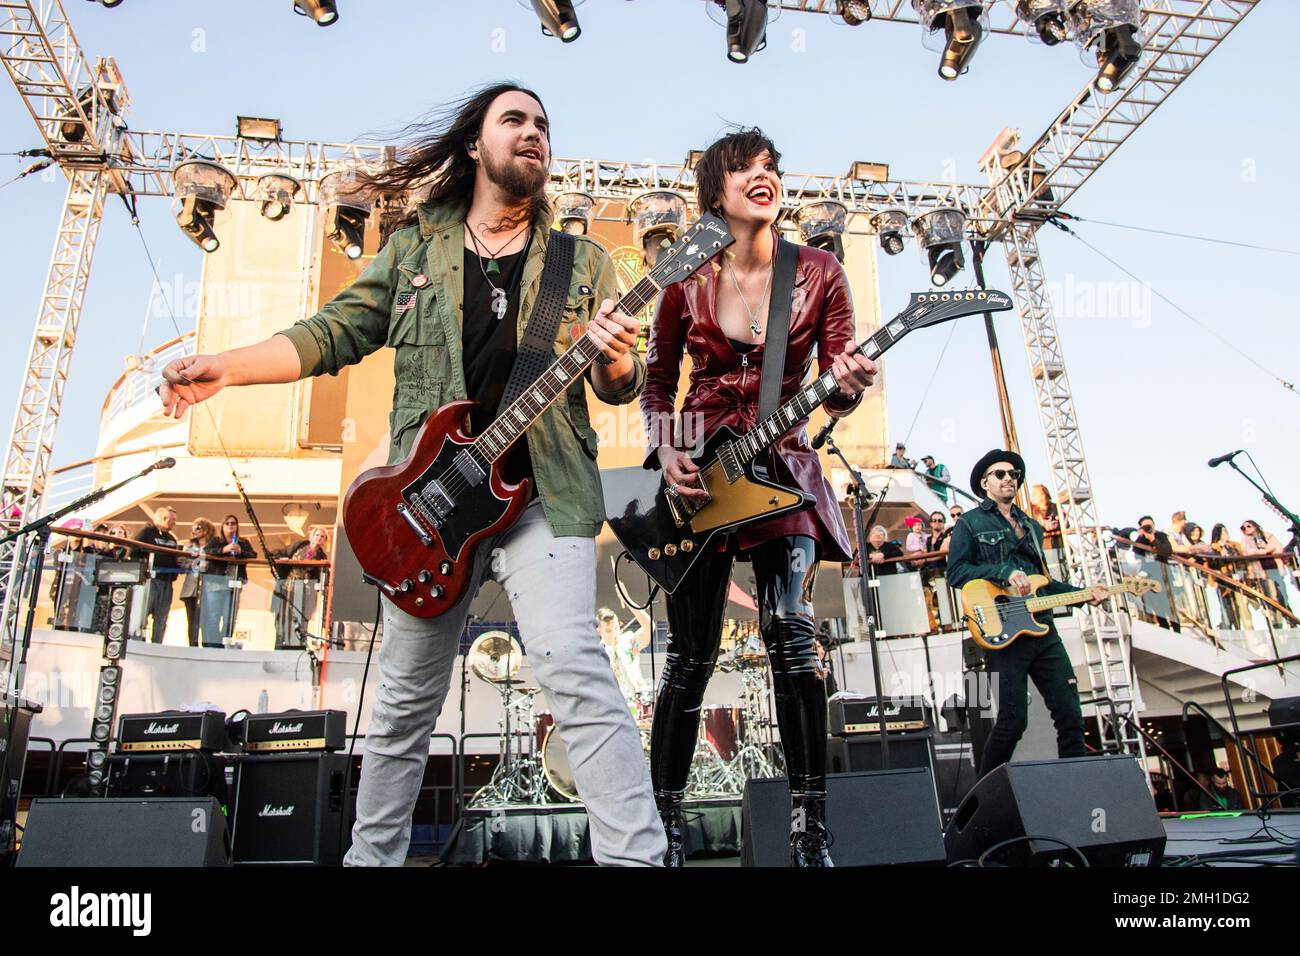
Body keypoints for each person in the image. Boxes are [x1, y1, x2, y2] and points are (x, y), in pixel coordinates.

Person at [160, 83, 665, 867]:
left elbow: (618, 385)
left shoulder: (584, 261)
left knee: (573, 669)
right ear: (476, 145)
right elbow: (332, 332)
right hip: (430, 506)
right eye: (516, 121)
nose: (534, 133)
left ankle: (636, 859)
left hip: (546, 497)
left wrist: (620, 358)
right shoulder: (416, 249)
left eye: (544, 125)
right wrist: (227, 366)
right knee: (400, 709)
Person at [640, 127, 876, 867]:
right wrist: (670, 446)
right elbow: (658, 381)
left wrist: (844, 393)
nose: (763, 176)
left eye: (771, 166)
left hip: (784, 463)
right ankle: (665, 825)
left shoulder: (822, 271)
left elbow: (839, 388)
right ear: (717, 191)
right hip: (704, 468)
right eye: (745, 168)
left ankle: (810, 826)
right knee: (691, 655)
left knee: (793, 636)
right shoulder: (684, 273)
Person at [945, 449, 1107, 777]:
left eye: (1013, 474)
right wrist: (1001, 572)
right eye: (1001, 474)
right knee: (1012, 721)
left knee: (1071, 715)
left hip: (1043, 630)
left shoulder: (1032, 527)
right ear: (985, 483)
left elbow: (1043, 585)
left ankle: (1077, 790)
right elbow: (956, 572)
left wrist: (1085, 596)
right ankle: (983, 799)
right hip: (1004, 633)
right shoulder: (970, 523)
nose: (1009, 478)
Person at [202, 515, 256, 645]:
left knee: (229, 617)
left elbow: (253, 555)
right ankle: (212, 644)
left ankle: (224, 642)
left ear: (237, 526)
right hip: (216, 582)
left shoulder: (243, 542)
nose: (230, 526)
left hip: (234, 584)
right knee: (214, 616)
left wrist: (241, 551)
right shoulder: (216, 540)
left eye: (233, 523)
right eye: (227, 523)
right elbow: (206, 551)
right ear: (222, 526)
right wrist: (223, 550)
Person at [275, 526, 330, 648]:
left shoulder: (322, 557)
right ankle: (281, 643)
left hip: (306, 590)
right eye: (317, 535)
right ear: (311, 536)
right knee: (285, 615)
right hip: (290, 586)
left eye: (322, 536)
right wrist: (284, 559)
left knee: (301, 616)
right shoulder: (299, 546)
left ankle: (298, 644)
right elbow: (280, 553)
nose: (319, 538)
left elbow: (322, 575)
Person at [132, 505, 180, 643]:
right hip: (150, 580)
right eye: (172, 519)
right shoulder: (147, 533)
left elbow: (174, 559)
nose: (174, 523)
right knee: (143, 613)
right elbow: (134, 551)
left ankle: (157, 644)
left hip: (167, 582)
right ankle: (137, 641)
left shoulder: (172, 538)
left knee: (162, 616)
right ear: (164, 518)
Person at [596, 604, 652, 703]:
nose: (614, 633)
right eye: (609, 631)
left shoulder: (628, 640)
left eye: (616, 628)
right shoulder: (596, 654)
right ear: (599, 631)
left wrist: (628, 601)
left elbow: (649, 627)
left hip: (638, 699)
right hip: (614, 704)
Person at [179, 517, 215, 647]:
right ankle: (192, 645)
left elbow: (210, 565)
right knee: (192, 620)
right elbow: (183, 563)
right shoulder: (189, 547)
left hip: (207, 588)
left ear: (206, 530)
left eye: (198, 528)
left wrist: (196, 563)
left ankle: (207, 646)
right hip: (190, 588)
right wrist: (195, 564)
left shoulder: (213, 546)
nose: (194, 531)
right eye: (193, 528)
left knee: (207, 620)